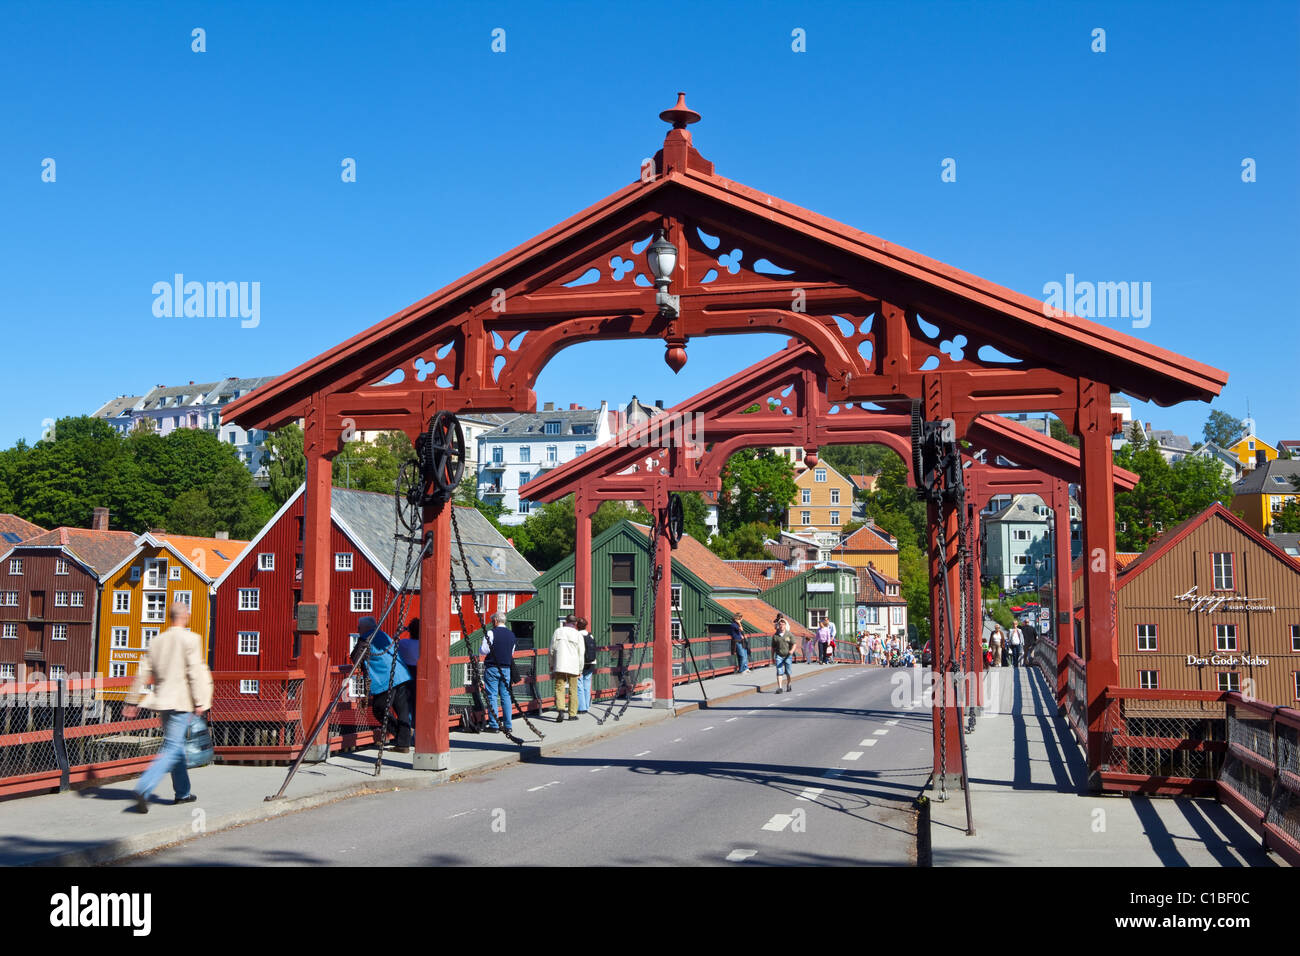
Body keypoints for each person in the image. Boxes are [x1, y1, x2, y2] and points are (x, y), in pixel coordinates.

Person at [124, 602, 213, 813]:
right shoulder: (192, 639)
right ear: (185, 616)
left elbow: (142, 670)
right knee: (172, 747)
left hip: (162, 701)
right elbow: (194, 671)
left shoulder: (157, 641)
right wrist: (200, 701)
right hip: (181, 701)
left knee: (176, 746)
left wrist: (131, 700)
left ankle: (183, 792)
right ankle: (144, 787)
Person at [351, 615, 414, 752]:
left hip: (386, 679)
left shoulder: (366, 638)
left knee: (379, 708)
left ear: (364, 628)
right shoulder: (383, 635)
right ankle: (403, 743)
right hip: (401, 675)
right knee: (402, 709)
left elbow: (355, 657)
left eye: (359, 627)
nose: (358, 629)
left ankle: (399, 735)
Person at [479, 611, 517, 734]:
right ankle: (508, 725)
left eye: (492, 621)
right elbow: (511, 653)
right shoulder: (511, 635)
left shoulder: (491, 633)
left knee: (492, 695)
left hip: (492, 667)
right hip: (506, 668)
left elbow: (484, 650)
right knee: (506, 696)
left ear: (495, 621)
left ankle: (494, 725)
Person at [550, 614, 584, 722]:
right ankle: (572, 714)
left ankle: (560, 710)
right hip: (573, 666)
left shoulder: (558, 631)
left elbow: (551, 650)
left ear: (566, 621)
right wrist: (580, 669)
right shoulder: (578, 634)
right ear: (575, 623)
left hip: (560, 664)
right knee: (573, 690)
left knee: (559, 688)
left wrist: (551, 664)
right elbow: (581, 653)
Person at [576, 617, 597, 714]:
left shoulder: (577, 635)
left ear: (577, 625)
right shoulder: (590, 635)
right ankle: (587, 706)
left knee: (579, 684)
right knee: (587, 684)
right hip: (591, 662)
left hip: (580, 663)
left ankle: (582, 707)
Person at [771, 616, 795, 694]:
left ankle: (788, 684)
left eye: (783, 624)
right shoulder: (775, 635)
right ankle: (780, 687)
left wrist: (791, 651)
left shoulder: (789, 634)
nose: (781, 626)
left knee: (788, 672)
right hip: (779, 655)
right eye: (780, 624)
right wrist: (772, 657)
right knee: (779, 671)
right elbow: (773, 647)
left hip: (788, 655)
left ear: (785, 625)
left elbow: (794, 644)